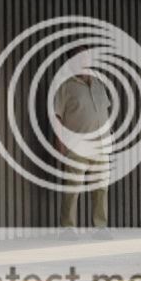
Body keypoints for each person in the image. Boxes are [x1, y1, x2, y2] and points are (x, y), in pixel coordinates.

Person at [54, 45, 113, 240]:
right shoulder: (64, 86)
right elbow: (56, 116)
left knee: (101, 188)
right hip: (77, 145)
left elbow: (105, 110)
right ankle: (68, 229)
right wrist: (60, 143)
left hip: (102, 145)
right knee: (73, 188)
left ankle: (100, 228)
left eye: (87, 58)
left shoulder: (98, 84)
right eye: (81, 58)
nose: (85, 61)